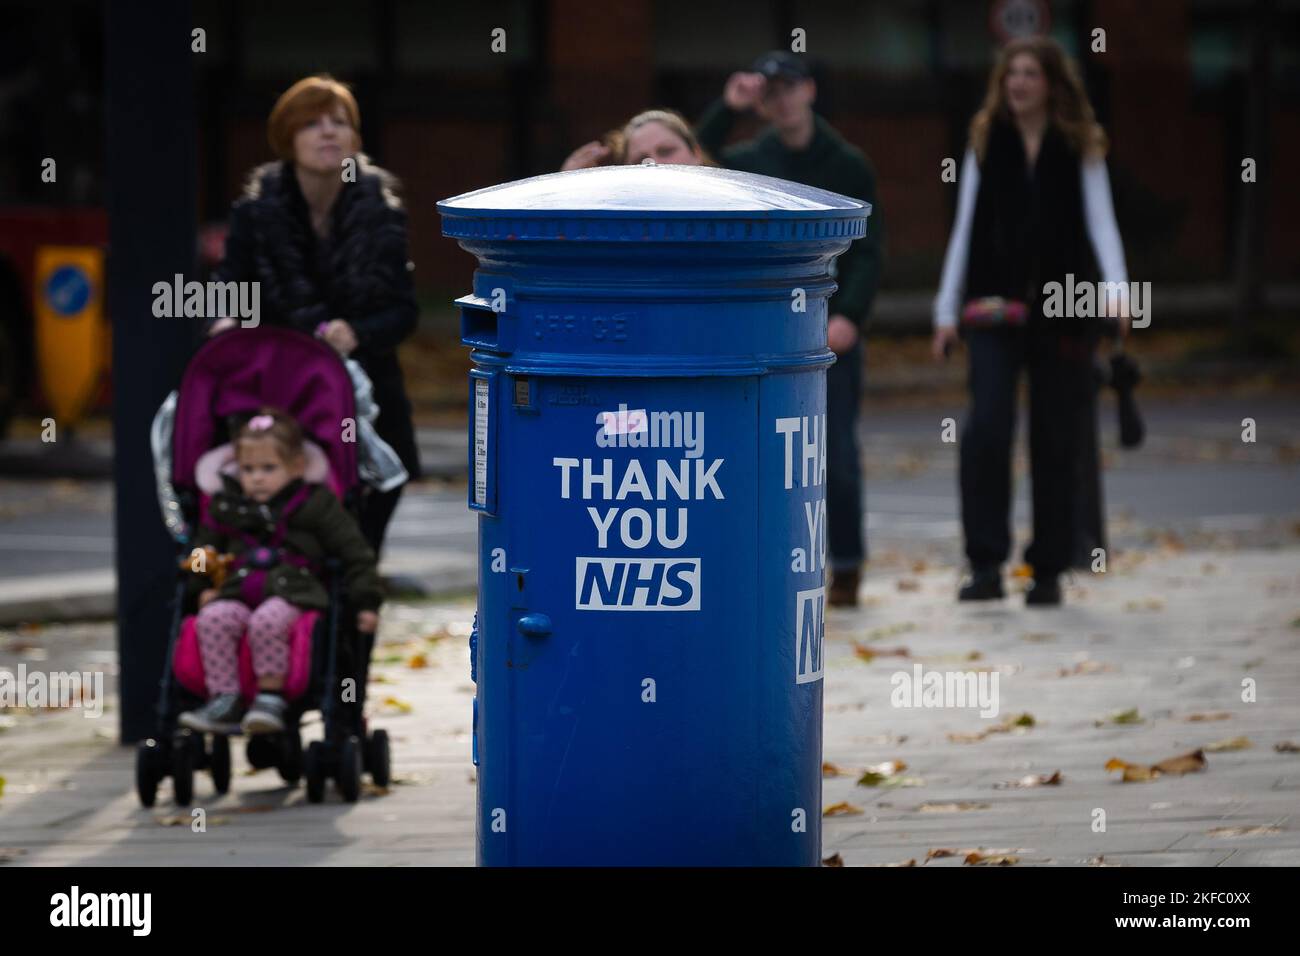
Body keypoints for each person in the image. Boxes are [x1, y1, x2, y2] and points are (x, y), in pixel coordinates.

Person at [932, 36, 1131, 607]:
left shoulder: (1079, 145)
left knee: (1056, 434)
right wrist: (946, 310)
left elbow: (1102, 224)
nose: (1018, 83)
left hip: (1062, 310)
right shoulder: (985, 141)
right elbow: (965, 227)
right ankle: (985, 562)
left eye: (1030, 73)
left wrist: (1117, 293)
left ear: (1051, 84)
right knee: (987, 429)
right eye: (1011, 73)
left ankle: (1048, 566)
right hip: (993, 308)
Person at [695, 51, 885, 607]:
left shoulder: (847, 162)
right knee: (768, 453)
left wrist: (850, 315)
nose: (781, 100)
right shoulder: (751, 159)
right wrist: (726, 109)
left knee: (837, 454)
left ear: (810, 92)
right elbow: (695, 166)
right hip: (769, 330)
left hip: (830, 331)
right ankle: (772, 565)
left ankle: (846, 562)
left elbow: (869, 251)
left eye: (790, 88)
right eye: (769, 93)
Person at [208, 74, 420, 557]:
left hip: (367, 393)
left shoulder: (382, 213)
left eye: (339, 123)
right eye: (312, 124)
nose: (327, 133)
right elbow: (228, 288)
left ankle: (353, 610)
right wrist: (225, 324)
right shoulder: (257, 214)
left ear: (355, 138)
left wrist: (358, 332)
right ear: (289, 138)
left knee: (372, 516)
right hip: (281, 390)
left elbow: (404, 312)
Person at [179, 408, 382, 735]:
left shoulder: (315, 504)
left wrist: (366, 601)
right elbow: (203, 552)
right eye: (248, 469)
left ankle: (270, 697)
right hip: (237, 590)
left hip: (293, 592)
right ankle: (224, 697)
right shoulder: (227, 506)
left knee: (267, 621)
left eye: (268, 468)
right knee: (213, 619)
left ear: (297, 467)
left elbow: (354, 553)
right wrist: (199, 585)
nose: (257, 477)